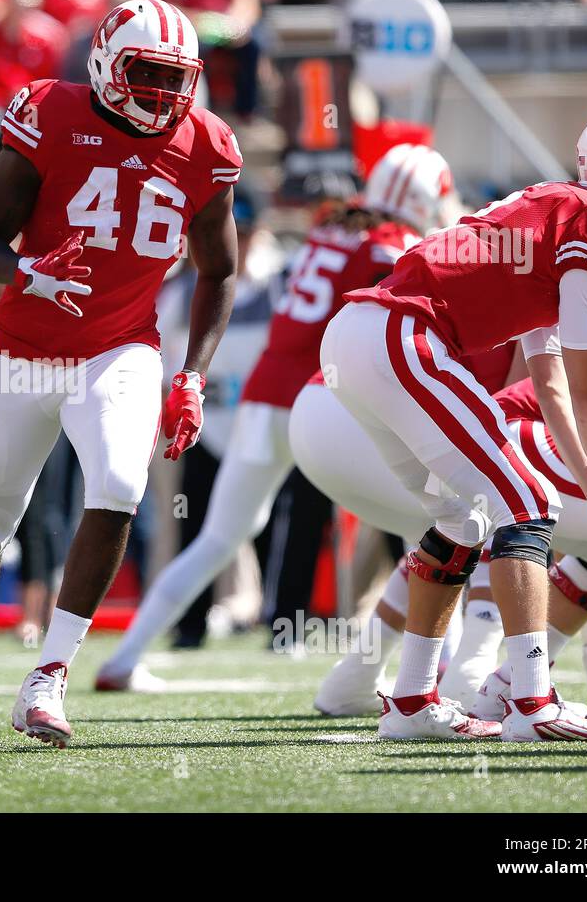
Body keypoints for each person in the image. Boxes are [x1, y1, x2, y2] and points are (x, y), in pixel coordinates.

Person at [317, 102, 587, 742]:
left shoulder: (556, 211)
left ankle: (411, 706)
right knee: (528, 503)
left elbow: (551, 385)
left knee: (462, 518)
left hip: (362, 338)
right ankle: (532, 703)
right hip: (401, 334)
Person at [0, 0, 242, 747]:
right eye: (150, 75)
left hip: (119, 347)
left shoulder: (206, 145)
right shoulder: (51, 114)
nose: (167, 96)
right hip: (20, 354)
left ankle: (49, 677)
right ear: (107, 64)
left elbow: (220, 271)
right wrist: (24, 273)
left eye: (180, 80)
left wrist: (194, 374)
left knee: (120, 485)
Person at [95, 144, 459, 691]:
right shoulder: (392, 245)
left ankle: (123, 659)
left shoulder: (334, 228)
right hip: (322, 398)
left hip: (267, 391)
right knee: (435, 523)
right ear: (425, 197)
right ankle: (439, 673)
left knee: (219, 537)